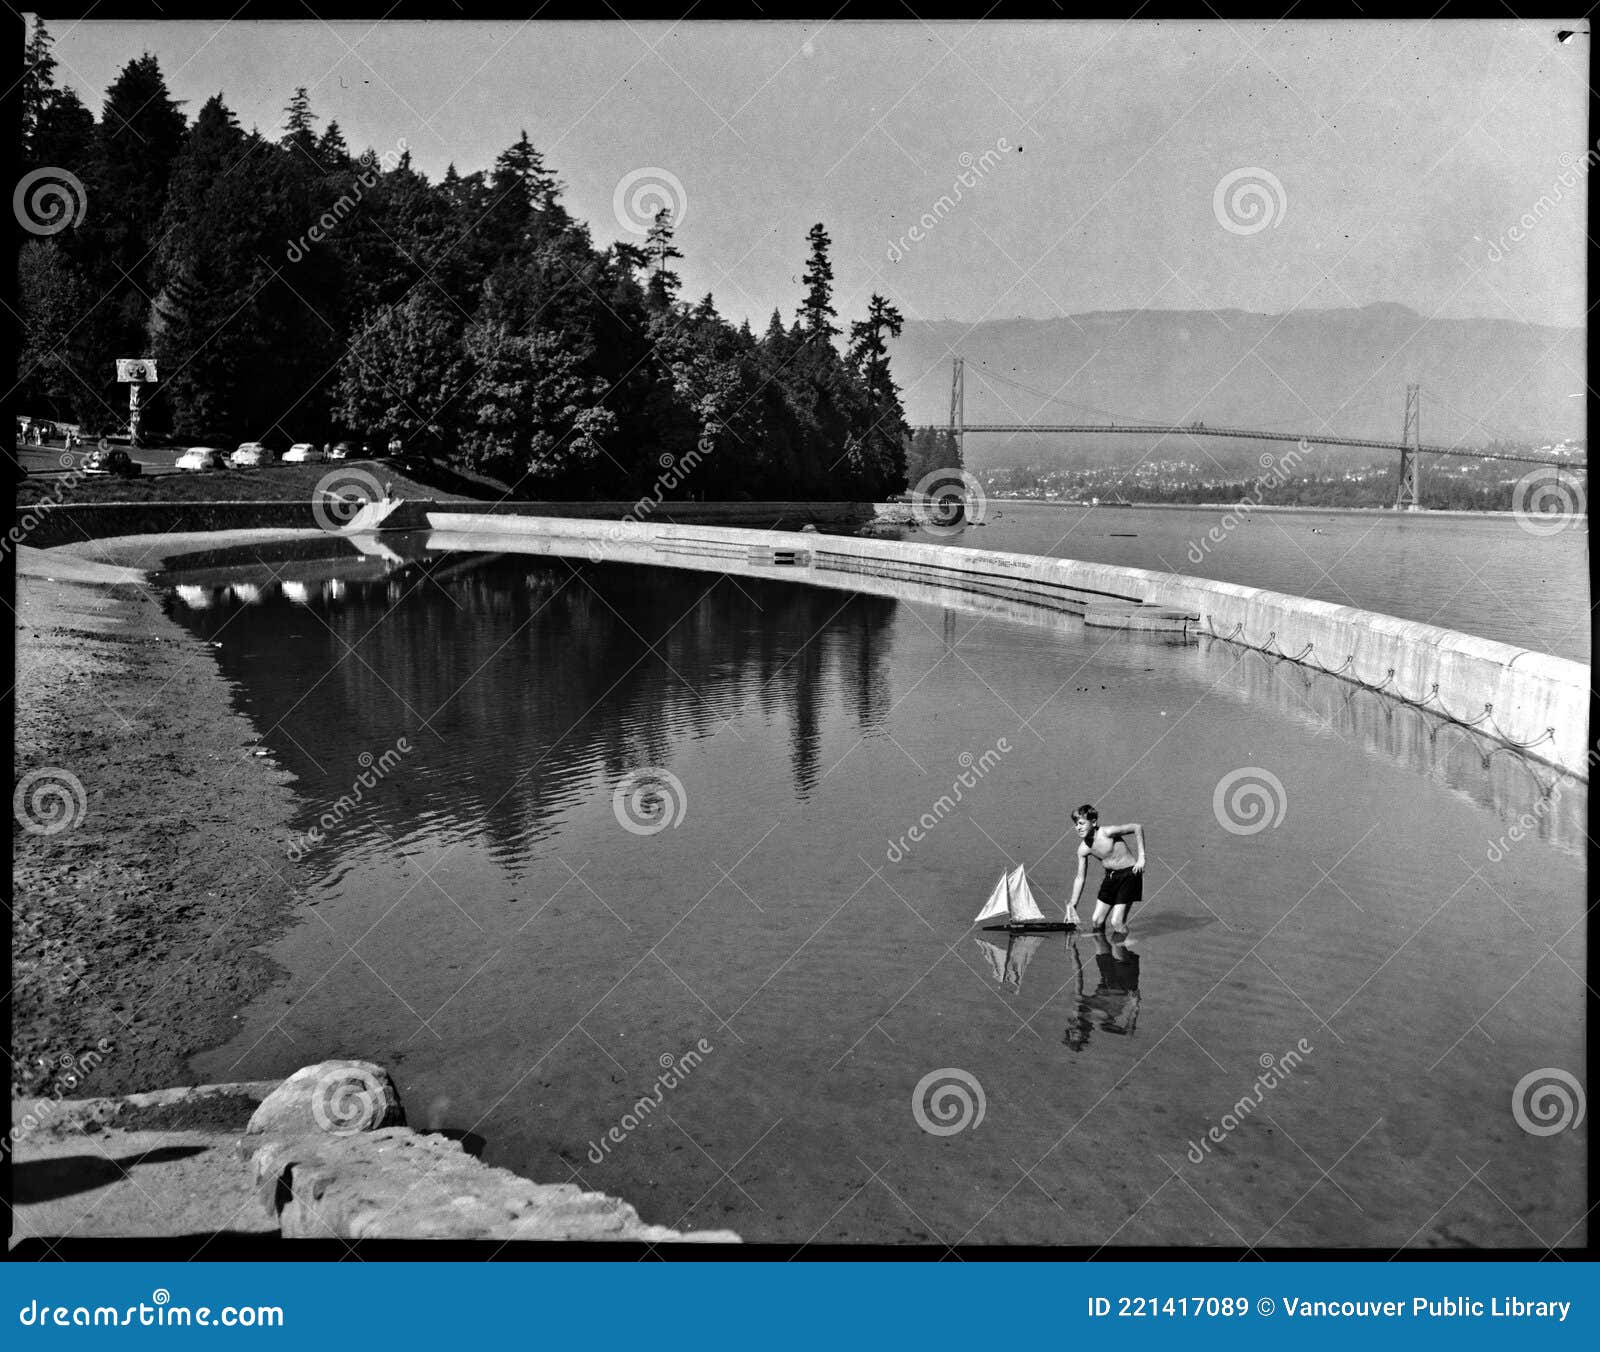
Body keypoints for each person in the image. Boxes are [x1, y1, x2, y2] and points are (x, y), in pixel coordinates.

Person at [1066, 802, 1146, 932]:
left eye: (1081, 823)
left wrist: (1141, 858)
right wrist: (1073, 904)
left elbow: (1137, 827)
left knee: (1117, 922)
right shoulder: (1083, 849)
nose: (1078, 827)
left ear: (1093, 822)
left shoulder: (1107, 832)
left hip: (1129, 874)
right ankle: (1103, 950)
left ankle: (1123, 948)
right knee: (1096, 920)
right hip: (1110, 877)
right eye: (1075, 824)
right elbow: (1080, 878)